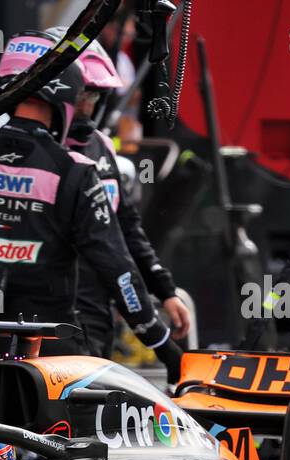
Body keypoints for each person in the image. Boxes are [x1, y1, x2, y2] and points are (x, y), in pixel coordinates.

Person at [0, 32, 180, 415]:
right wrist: (161, 343)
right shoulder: (74, 171)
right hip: (55, 356)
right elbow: (116, 266)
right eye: (83, 97)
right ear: (64, 97)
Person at [64, 42, 191, 361]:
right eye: (82, 95)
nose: (87, 107)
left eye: (93, 96)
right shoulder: (44, 157)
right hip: (53, 318)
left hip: (99, 313)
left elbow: (127, 229)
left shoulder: (102, 147)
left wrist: (165, 291)